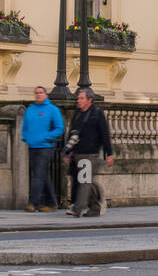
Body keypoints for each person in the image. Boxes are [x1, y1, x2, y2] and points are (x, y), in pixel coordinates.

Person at [64, 87, 114, 217]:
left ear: (89, 100)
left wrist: (109, 153)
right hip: (78, 153)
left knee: (84, 181)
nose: (78, 101)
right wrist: (68, 151)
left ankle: (78, 208)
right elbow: (73, 133)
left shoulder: (96, 113)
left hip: (90, 153)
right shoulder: (78, 113)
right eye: (78, 98)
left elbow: (104, 134)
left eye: (81, 98)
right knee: (86, 181)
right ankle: (95, 207)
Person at [21, 85, 65, 212]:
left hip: (46, 147)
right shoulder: (30, 110)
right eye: (36, 93)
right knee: (42, 175)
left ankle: (32, 203)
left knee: (38, 175)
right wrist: (26, 137)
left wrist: (47, 137)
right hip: (32, 146)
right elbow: (25, 127)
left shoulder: (52, 110)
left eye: (40, 92)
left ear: (46, 95)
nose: (38, 95)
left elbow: (59, 128)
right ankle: (51, 203)